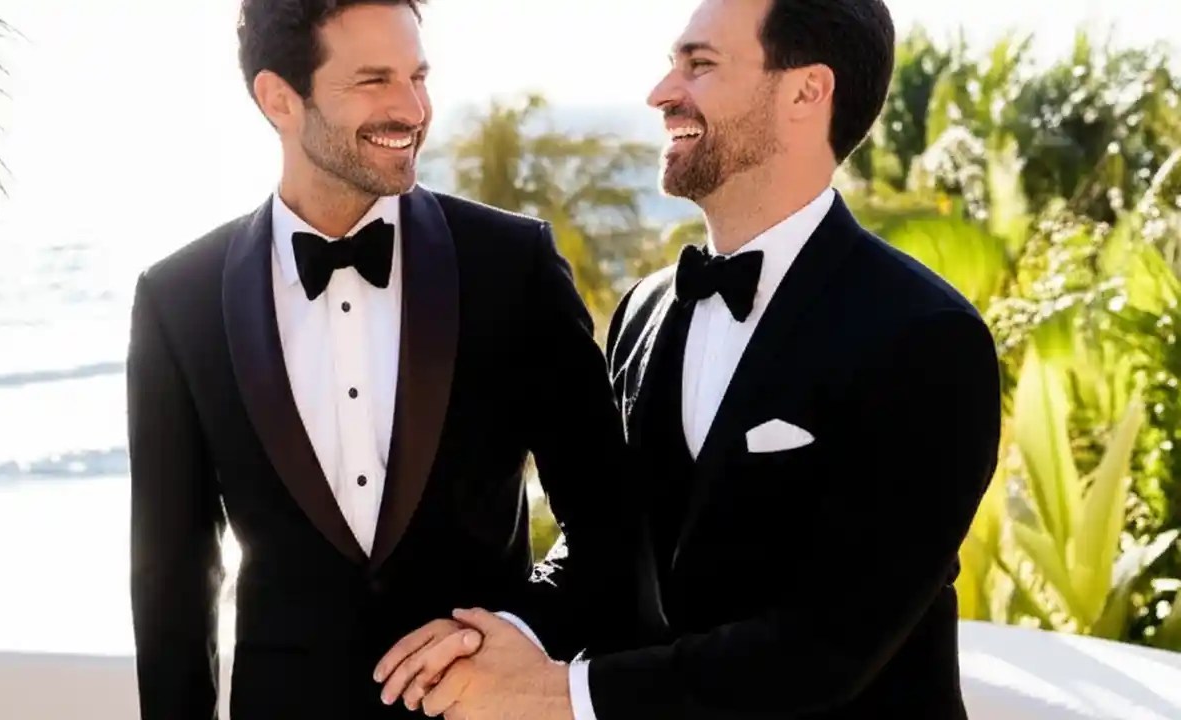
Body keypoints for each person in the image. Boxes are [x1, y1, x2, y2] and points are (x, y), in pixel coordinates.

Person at [379, 0, 1003, 718]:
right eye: (671, 64)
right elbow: (610, 549)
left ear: (807, 92)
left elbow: (826, 647)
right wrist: (504, 635)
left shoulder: (926, 338)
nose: (661, 93)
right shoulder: (643, 312)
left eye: (699, 64)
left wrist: (559, 693)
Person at [125, 1, 657, 718]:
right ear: (279, 98)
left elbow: (612, 527)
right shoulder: (177, 299)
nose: (412, 108)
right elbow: (172, 583)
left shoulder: (512, 266)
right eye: (374, 80)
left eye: (418, 75)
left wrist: (522, 629)